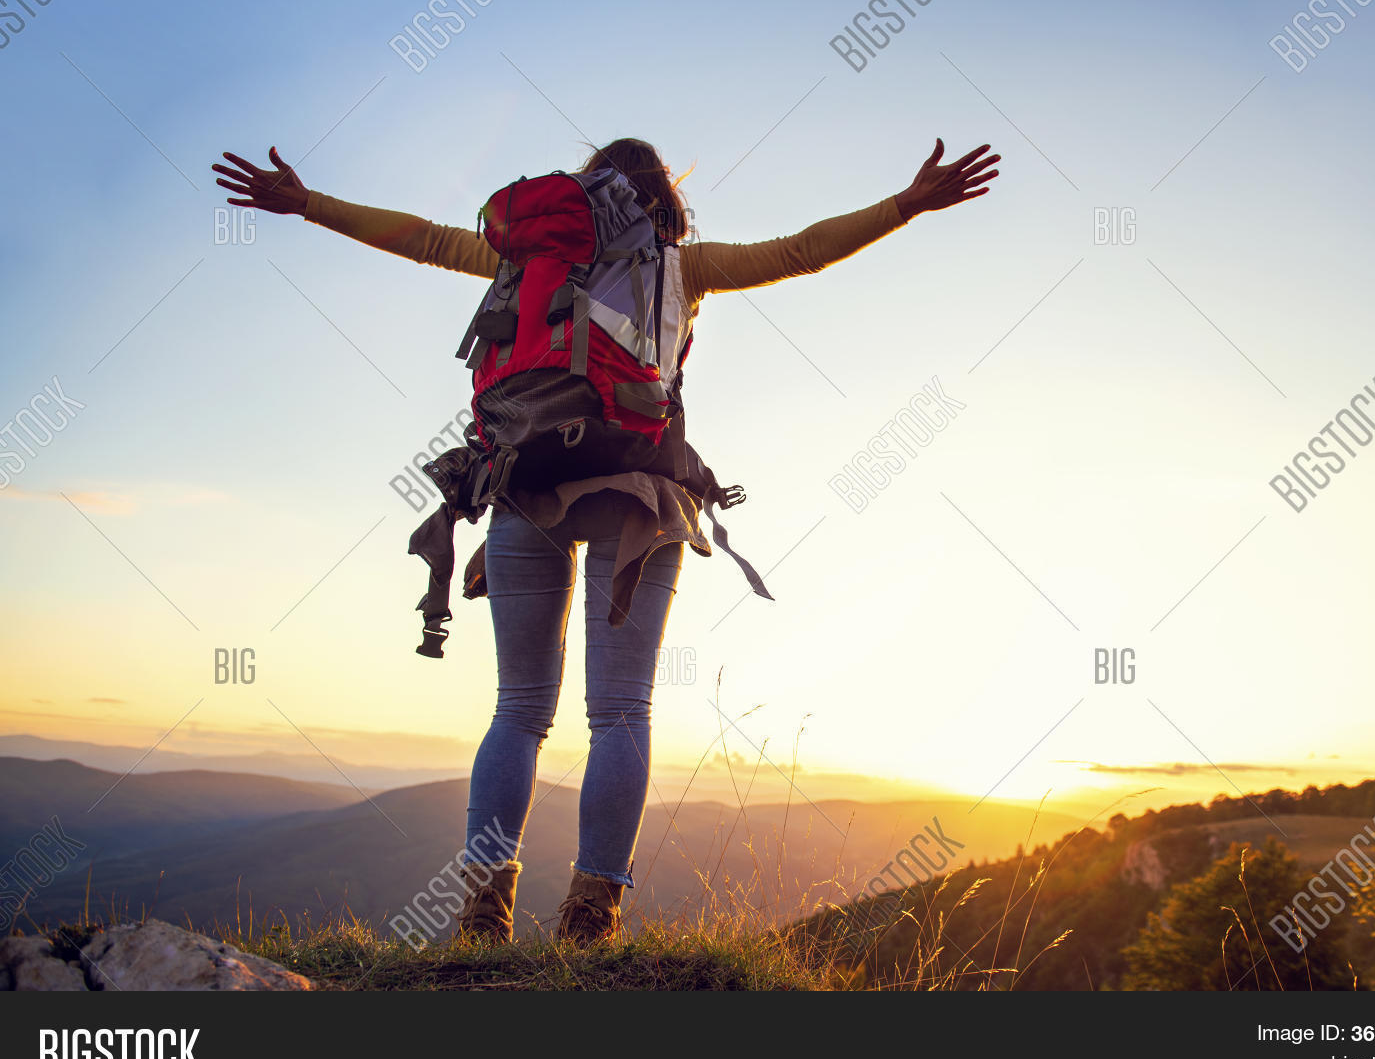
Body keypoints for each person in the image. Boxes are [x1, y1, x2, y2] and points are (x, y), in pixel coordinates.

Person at [213, 136, 1000, 946]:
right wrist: (907, 205)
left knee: (518, 710)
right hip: (641, 493)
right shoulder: (683, 268)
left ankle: (484, 911)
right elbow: (799, 253)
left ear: (581, 193)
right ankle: (591, 923)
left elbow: (415, 238)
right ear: (662, 199)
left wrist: (307, 204)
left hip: (528, 484)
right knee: (620, 712)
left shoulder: (525, 259)